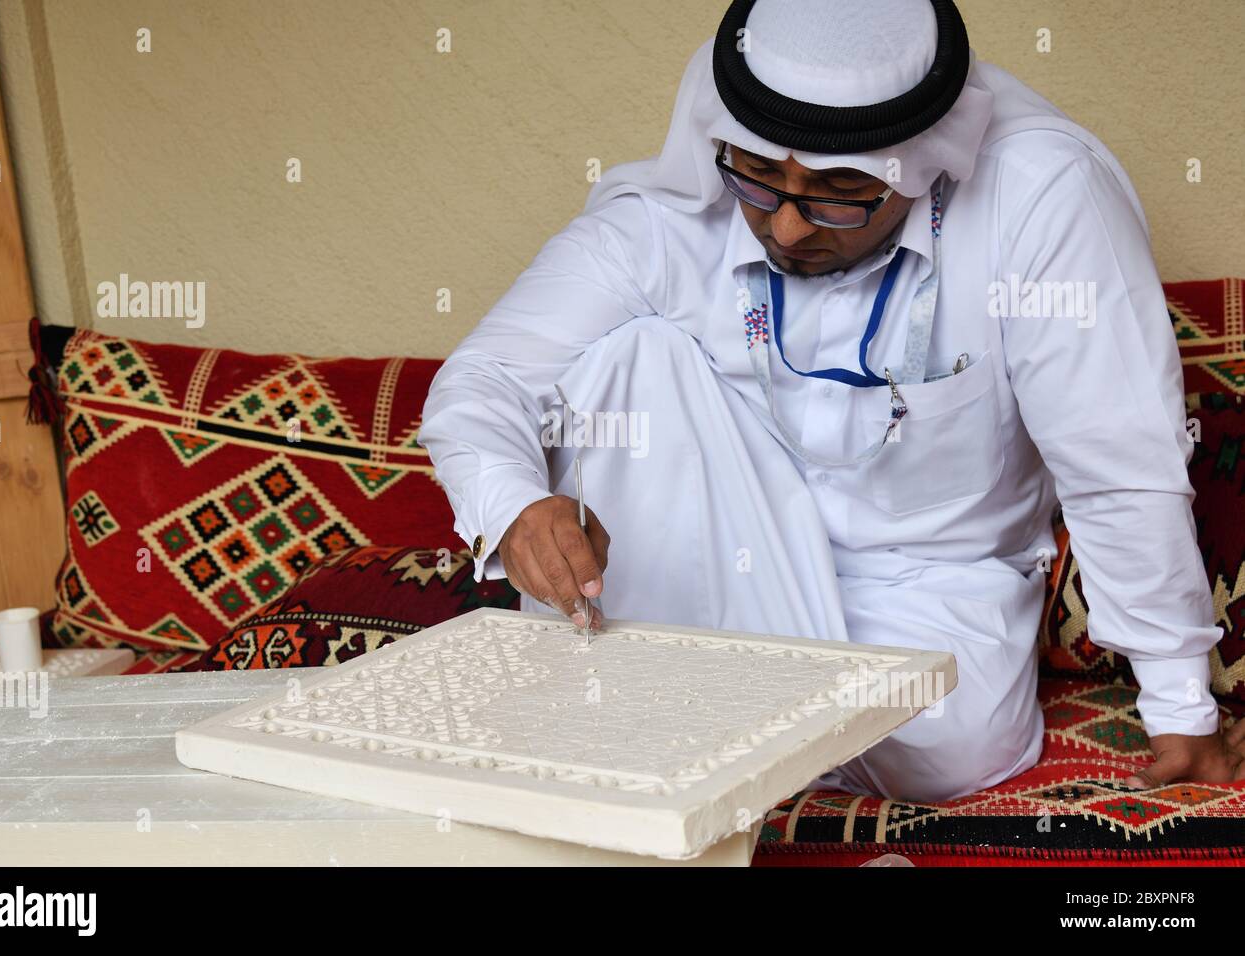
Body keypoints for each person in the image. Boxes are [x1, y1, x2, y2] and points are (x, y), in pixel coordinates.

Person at [419, 0, 1244, 800]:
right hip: (711, 581)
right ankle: (655, 722)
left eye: (838, 191)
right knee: (635, 353)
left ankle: (661, 726)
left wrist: (1181, 708)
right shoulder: (669, 215)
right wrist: (518, 506)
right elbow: (485, 377)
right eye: (758, 178)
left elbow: (1116, 454)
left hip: (924, 607)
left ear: (924, 160)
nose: (784, 229)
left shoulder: (1041, 199)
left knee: (946, 738)